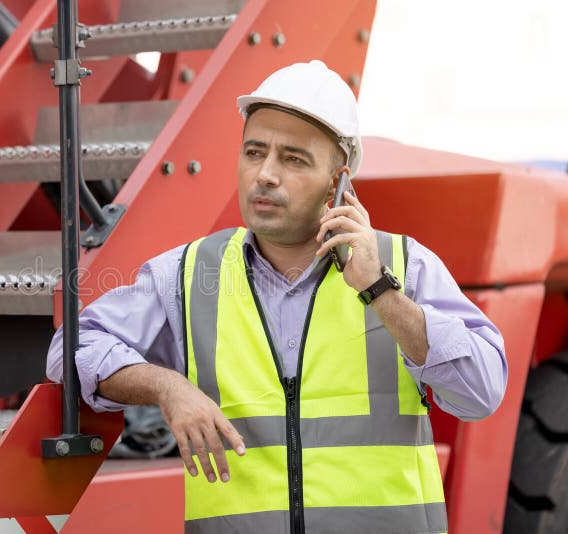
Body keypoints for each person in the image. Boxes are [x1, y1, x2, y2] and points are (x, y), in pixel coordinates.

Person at [47, 60, 507, 533]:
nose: (265, 174)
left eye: (293, 158)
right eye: (254, 152)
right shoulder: (188, 274)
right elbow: (71, 348)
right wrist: (168, 388)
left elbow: (481, 393)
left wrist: (380, 291)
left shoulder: (405, 267)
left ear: (338, 182)